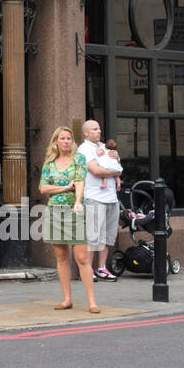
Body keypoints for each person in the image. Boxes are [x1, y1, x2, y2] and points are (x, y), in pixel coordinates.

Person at [40, 126, 97, 312]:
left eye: (69, 138)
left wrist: (78, 201)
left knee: (82, 258)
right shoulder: (49, 163)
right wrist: (65, 188)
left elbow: (80, 181)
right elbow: (43, 188)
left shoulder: (78, 159)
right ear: (56, 141)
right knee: (61, 257)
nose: (66, 141)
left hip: (75, 210)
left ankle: (92, 302)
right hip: (55, 210)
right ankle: (67, 300)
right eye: (62, 138)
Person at [78, 120, 122, 282]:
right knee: (93, 236)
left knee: (108, 236)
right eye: (94, 129)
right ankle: (87, 269)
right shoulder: (84, 149)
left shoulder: (105, 147)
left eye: (99, 128)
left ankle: (101, 268)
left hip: (111, 198)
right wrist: (114, 172)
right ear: (86, 133)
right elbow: (95, 171)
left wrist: (117, 160)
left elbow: (119, 168)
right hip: (94, 197)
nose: (99, 131)